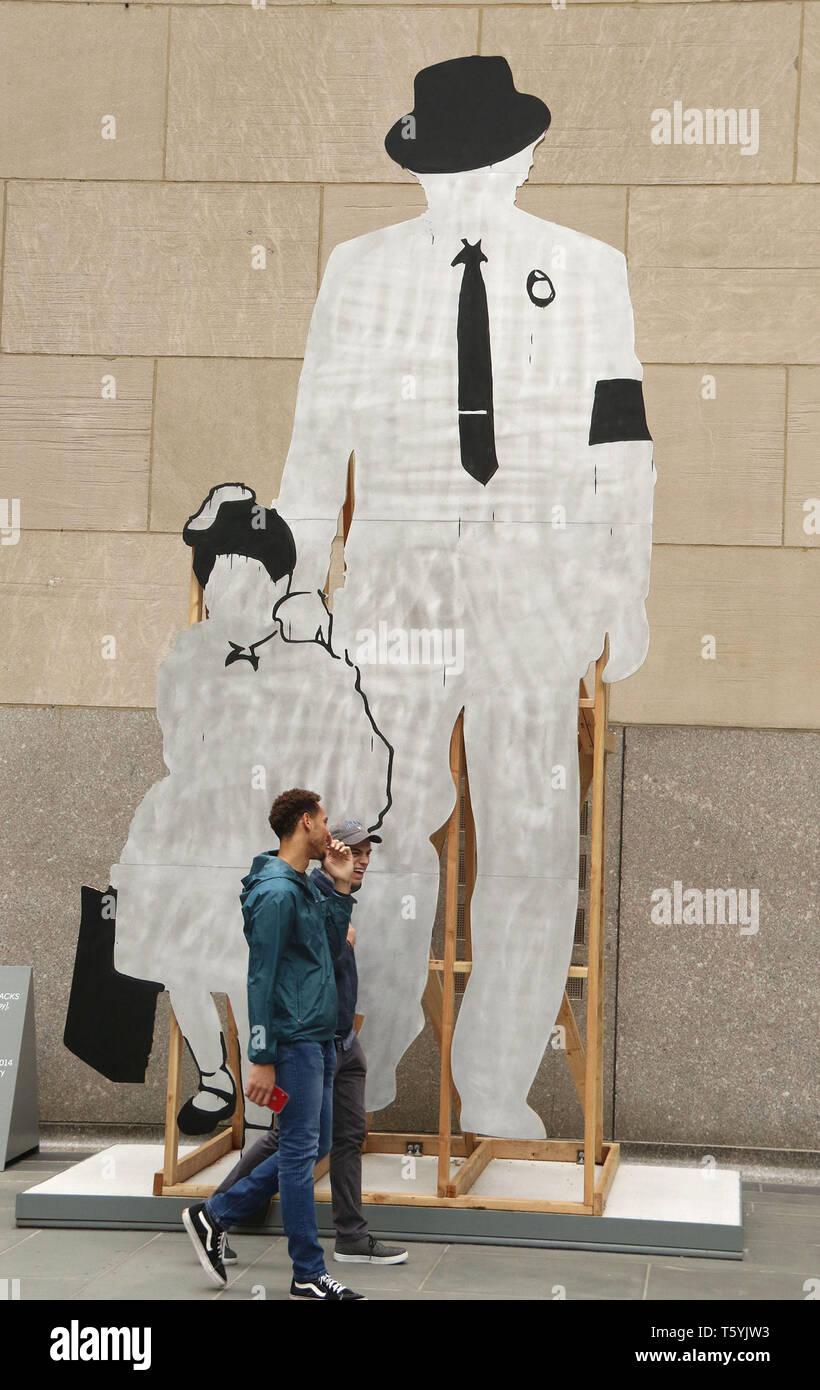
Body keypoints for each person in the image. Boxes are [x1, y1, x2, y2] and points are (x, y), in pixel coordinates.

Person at [272, 55, 655, 1138]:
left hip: (537, 580)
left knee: (531, 833)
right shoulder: (360, 271)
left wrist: (624, 581)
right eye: (448, 167)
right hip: (395, 580)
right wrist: (294, 594)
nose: (468, 184)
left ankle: (492, 1081)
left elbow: (619, 438)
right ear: (419, 173)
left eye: (487, 161)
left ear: (526, 158)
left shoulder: (588, 270)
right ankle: (369, 1048)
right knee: (374, 825)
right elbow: (315, 444)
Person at [182, 788, 366, 1301]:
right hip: (293, 1045)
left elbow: (327, 953)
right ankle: (307, 1270)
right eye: (325, 820)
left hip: (317, 1040)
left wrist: (339, 886)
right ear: (305, 822)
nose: (330, 831)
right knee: (300, 1149)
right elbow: (259, 979)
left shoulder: (303, 886)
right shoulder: (276, 893)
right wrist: (260, 1057)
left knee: (314, 1143)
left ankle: (214, 1215)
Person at [213, 818, 408, 1267]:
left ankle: (351, 1235)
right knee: (291, 1143)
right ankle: (216, 1215)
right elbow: (270, 972)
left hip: (341, 1041)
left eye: (366, 855)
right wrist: (264, 1054)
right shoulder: (303, 891)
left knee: (344, 1136)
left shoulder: (332, 892)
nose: (361, 861)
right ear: (329, 846)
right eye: (354, 851)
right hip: (310, 1043)